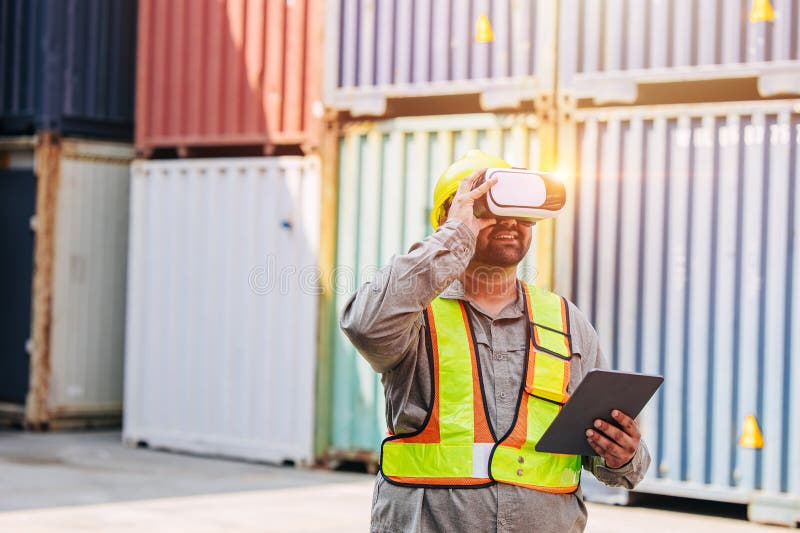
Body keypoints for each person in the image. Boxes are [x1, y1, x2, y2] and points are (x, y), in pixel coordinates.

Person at [340, 150, 650, 532]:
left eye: (521, 211)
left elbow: (610, 460)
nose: (509, 221)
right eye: (488, 207)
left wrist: (622, 455)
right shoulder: (415, 312)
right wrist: (453, 238)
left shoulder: (567, 321)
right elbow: (364, 325)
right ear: (450, 219)